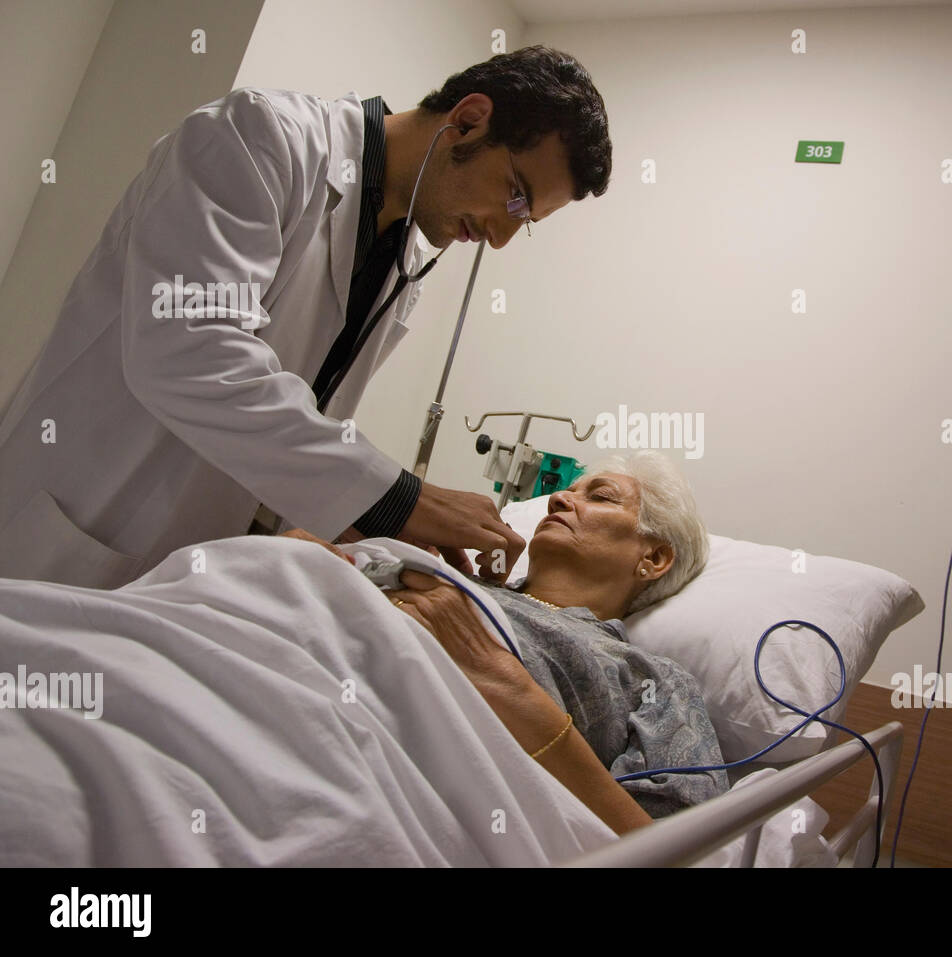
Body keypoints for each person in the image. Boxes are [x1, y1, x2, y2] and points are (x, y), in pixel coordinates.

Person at [0, 46, 611, 591]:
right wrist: (395, 498)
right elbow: (187, 350)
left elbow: (290, 428)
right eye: (514, 195)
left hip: (179, 579)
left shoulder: (402, 267)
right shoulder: (258, 138)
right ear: (469, 120)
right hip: (69, 535)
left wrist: (359, 529)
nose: (501, 236)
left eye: (524, 220)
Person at [333, 451, 727, 836]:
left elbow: (674, 849)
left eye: (600, 496)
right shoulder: (441, 572)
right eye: (570, 491)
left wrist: (506, 685)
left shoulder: (652, 680)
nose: (557, 498)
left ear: (654, 557)